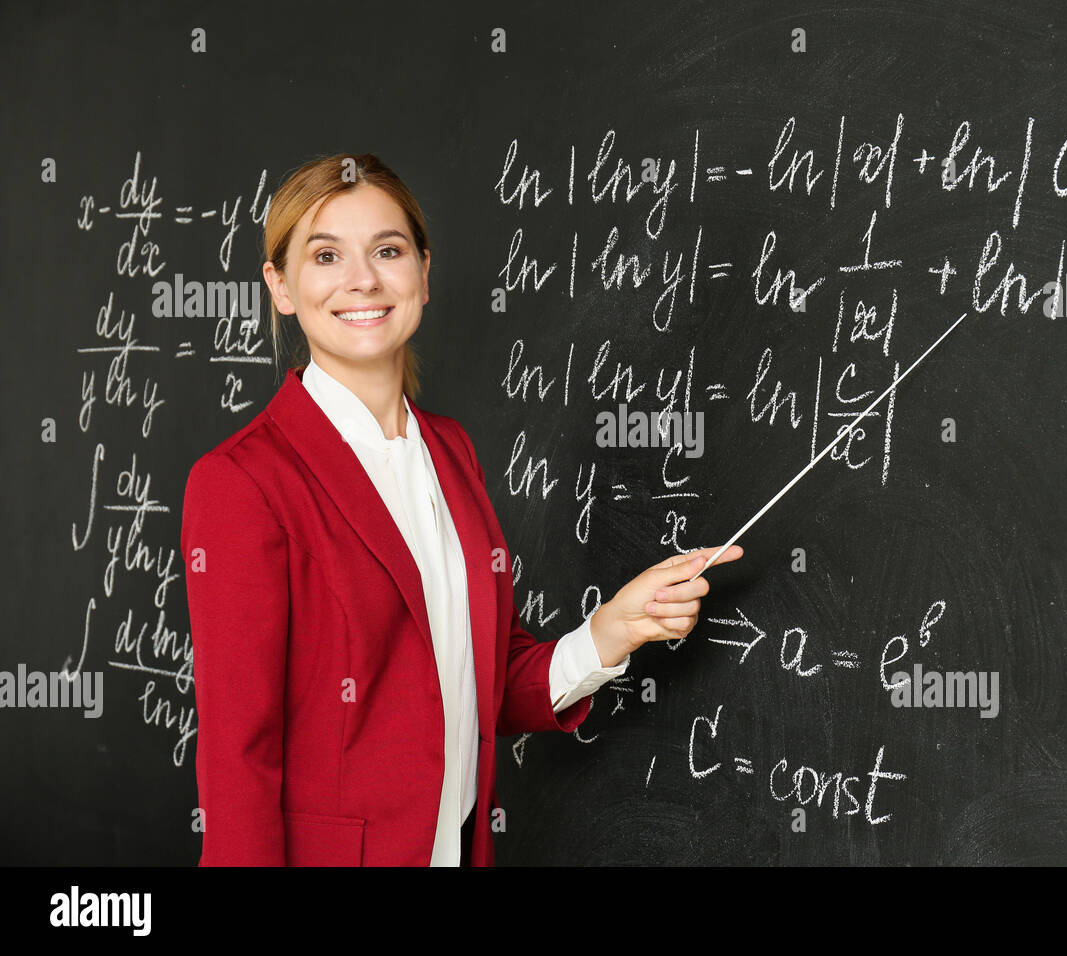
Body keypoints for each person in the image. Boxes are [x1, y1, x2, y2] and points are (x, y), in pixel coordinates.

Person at [180, 152, 741, 866]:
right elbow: (238, 754)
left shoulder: (451, 452)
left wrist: (610, 632)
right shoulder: (241, 481)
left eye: (388, 250)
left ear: (422, 272)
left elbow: (481, 684)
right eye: (326, 256)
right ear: (281, 286)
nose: (363, 280)